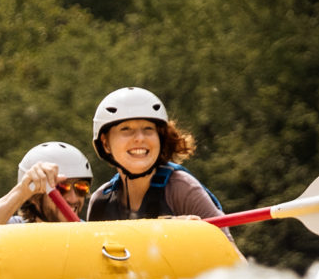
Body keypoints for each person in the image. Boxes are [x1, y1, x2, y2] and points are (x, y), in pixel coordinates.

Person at [82, 88, 225, 221]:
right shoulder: (101, 202)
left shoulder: (182, 189)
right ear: (106, 144)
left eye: (148, 129)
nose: (140, 138)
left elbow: (227, 248)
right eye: (126, 129)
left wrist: (190, 235)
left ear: (160, 137)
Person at [0, 141, 93, 233]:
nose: (73, 198)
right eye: (62, 188)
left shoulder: (89, 233)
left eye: (81, 187)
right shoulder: (11, 230)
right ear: (34, 197)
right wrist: (21, 192)